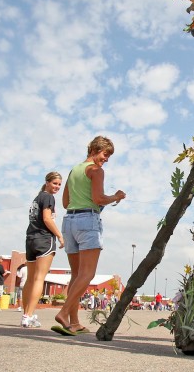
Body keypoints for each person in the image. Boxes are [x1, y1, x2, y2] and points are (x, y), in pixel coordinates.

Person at [54, 136, 126, 336]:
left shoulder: (74, 170)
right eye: (105, 154)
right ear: (95, 149)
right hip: (88, 221)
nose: (107, 159)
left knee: (76, 276)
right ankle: (63, 312)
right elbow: (98, 198)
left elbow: (66, 202)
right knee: (88, 274)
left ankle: (74, 323)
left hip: (69, 221)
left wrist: (89, 201)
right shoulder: (96, 171)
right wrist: (116, 197)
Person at [21, 172, 65, 328]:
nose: (57, 187)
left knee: (31, 279)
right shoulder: (48, 197)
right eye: (55, 183)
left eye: (59, 184)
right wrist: (60, 235)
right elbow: (47, 219)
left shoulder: (37, 198)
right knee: (39, 278)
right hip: (43, 239)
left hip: (31, 239)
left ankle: (26, 314)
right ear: (47, 182)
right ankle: (28, 315)